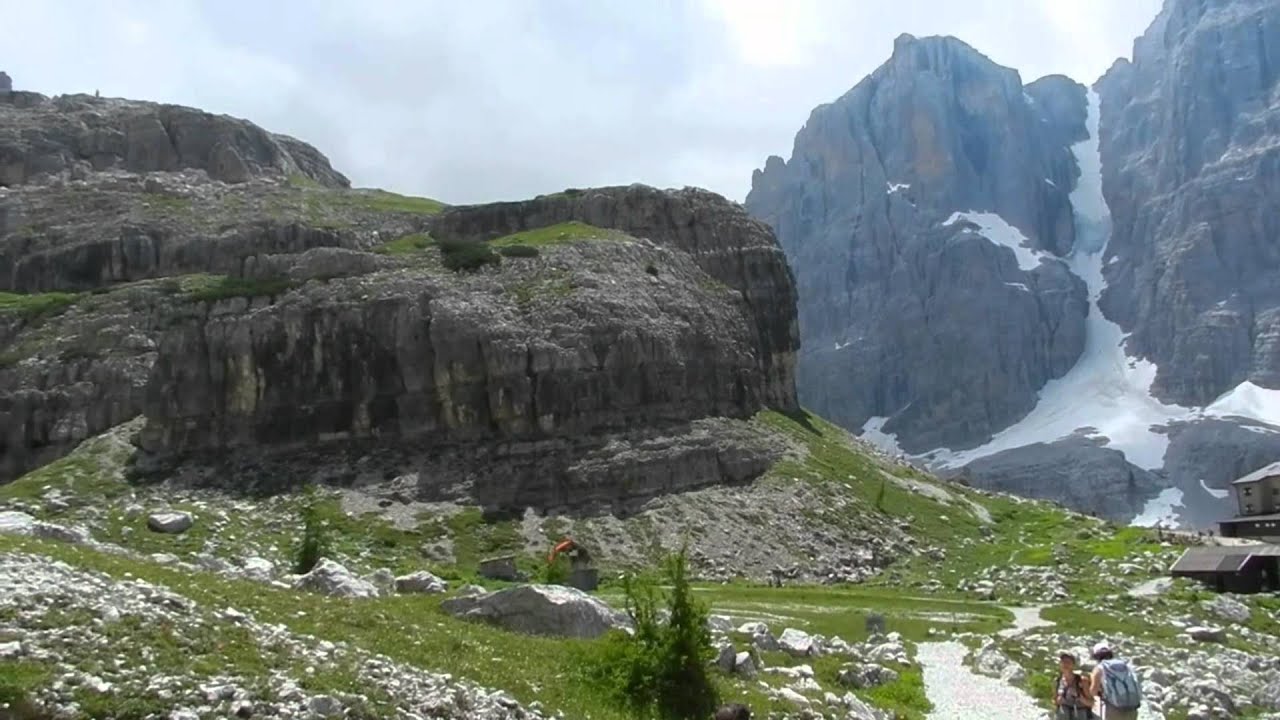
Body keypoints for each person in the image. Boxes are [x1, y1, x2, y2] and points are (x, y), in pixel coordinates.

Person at [1090, 642, 1142, 720]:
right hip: (1132, 707)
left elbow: (1093, 691)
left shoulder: (1099, 668)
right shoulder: (1125, 665)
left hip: (1113, 708)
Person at [1053, 651, 1095, 719]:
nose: (1065, 664)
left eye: (1068, 662)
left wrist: (1080, 697)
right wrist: (1058, 700)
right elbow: (1054, 701)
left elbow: (1091, 703)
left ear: (1073, 665)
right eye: (1063, 662)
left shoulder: (1082, 680)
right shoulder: (1057, 681)